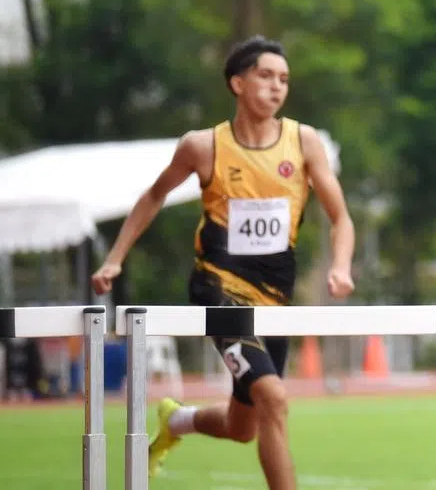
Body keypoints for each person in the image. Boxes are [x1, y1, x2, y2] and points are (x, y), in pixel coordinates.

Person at [90, 36, 356, 489]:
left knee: (244, 426)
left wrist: (341, 266)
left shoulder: (303, 142)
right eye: (265, 76)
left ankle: (177, 421)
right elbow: (154, 196)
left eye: (284, 79)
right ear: (237, 83)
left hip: (274, 299)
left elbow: (341, 218)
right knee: (273, 397)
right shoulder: (203, 146)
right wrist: (114, 259)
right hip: (219, 289)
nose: (277, 86)